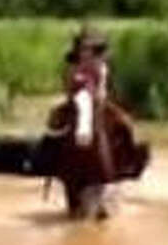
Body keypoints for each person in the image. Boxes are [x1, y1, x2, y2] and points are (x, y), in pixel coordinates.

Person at [46, 26, 137, 180]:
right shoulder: (73, 68)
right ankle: (51, 162)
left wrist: (99, 97)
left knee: (125, 123)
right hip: (77, 99)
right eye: (83, 48)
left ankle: (128, 161)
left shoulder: (100, 67)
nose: (85, 52)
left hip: (98, 100)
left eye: (89, 49)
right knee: (55, 122)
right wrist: (73, 97)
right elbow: (69, 87)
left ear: (95, 51)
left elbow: (102, 87)